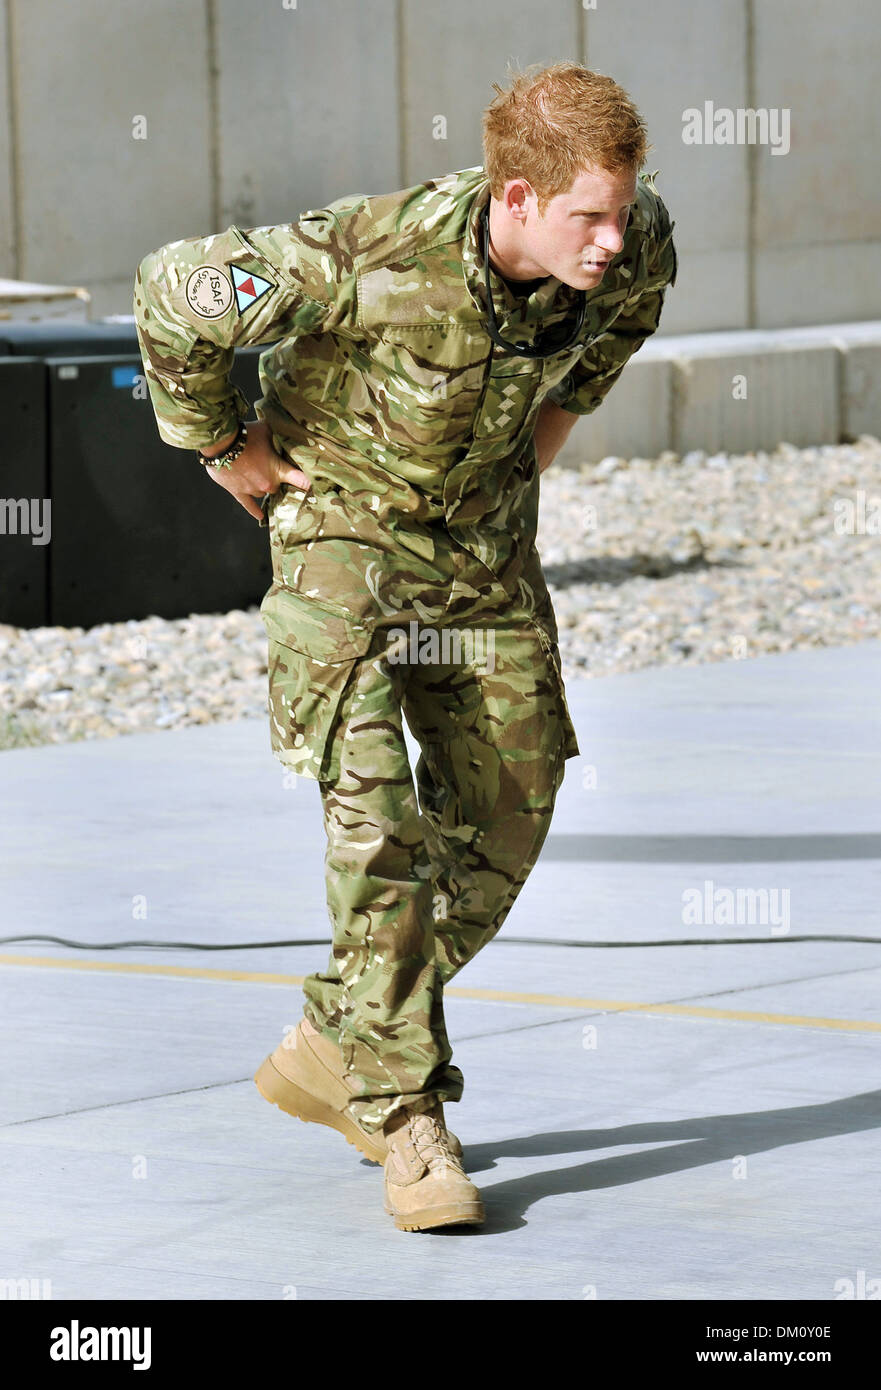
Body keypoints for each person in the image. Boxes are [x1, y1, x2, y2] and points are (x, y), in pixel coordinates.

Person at [133, 59, 677, 1232]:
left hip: (477, 555)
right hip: (341, 541)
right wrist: (221, 443)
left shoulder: (630, 251)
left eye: (621, 209)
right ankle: (407, 1116)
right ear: (513, 197)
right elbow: (175, 290)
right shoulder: (366, 253)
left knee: (508, 808)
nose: (609, 238)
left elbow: (606, 338)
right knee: (374, 818)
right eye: (586, 215)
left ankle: (339, 1036)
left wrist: (533, 447)